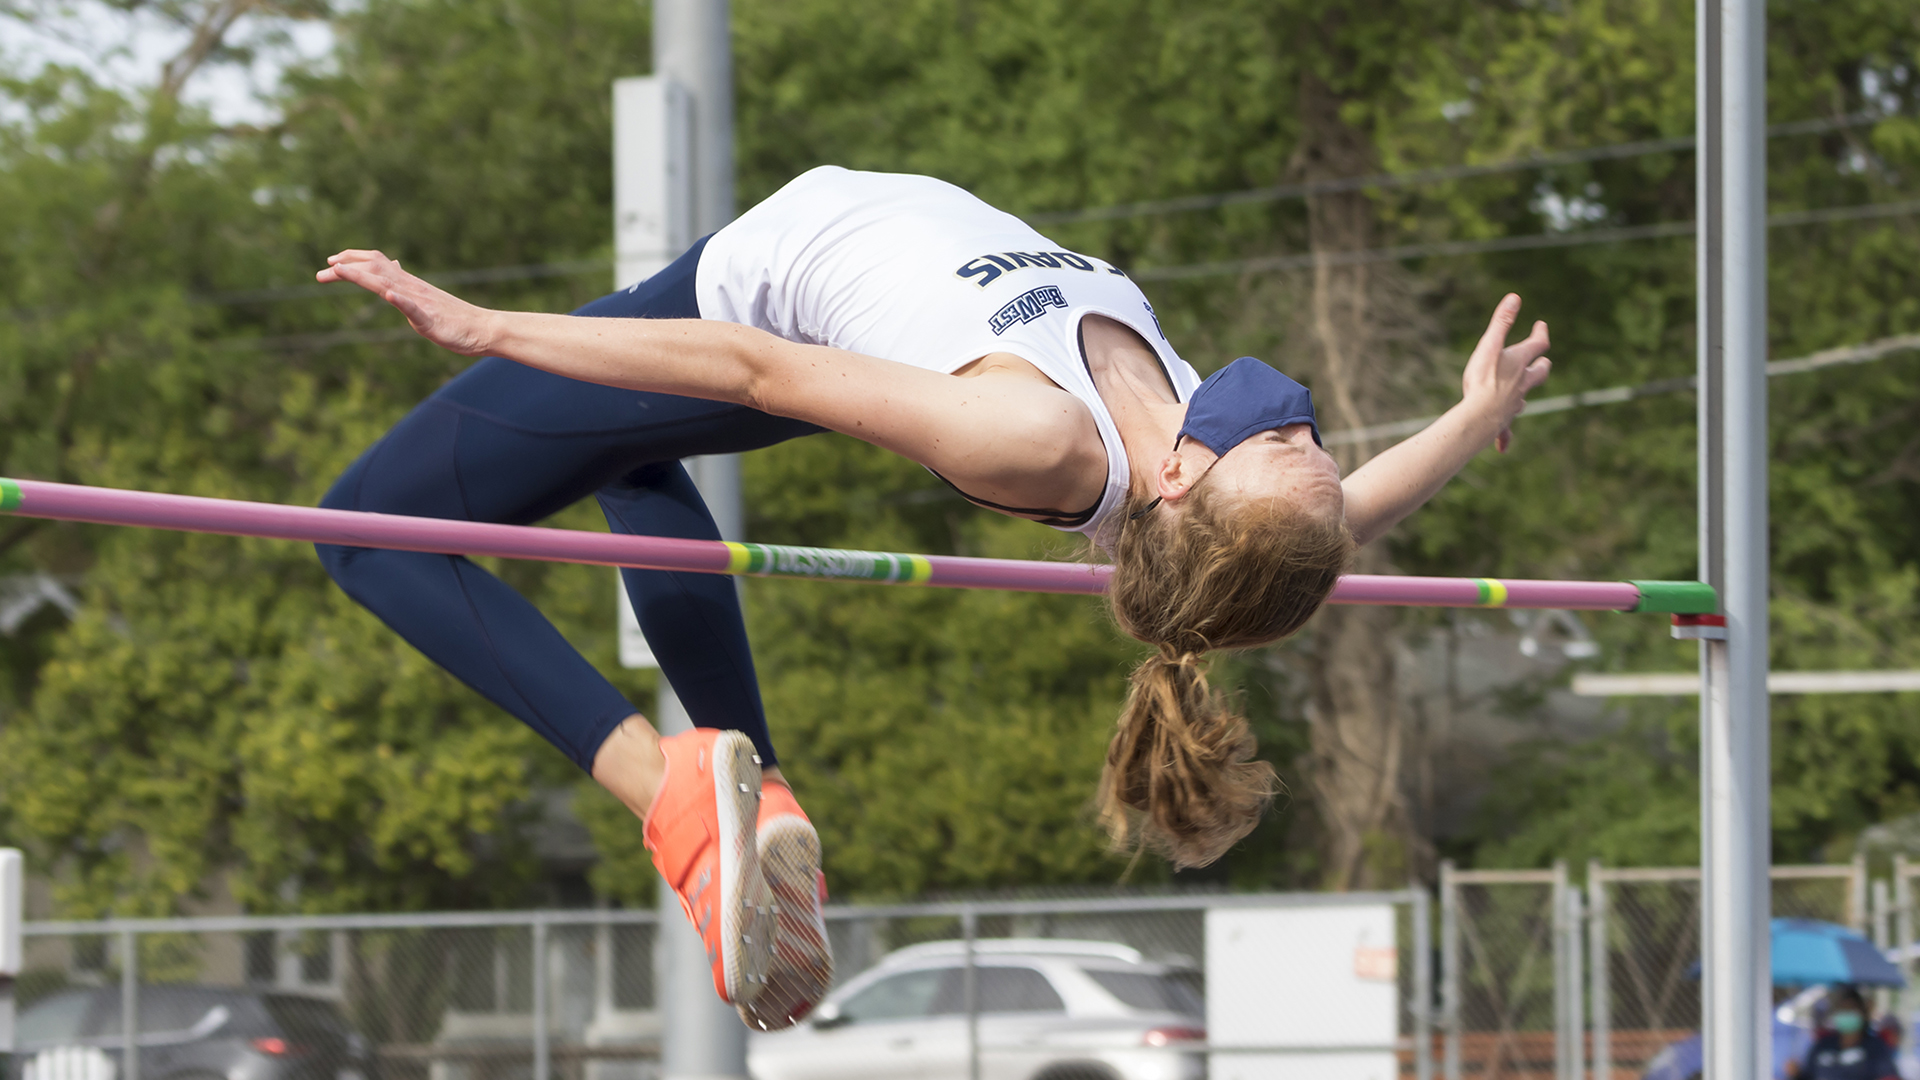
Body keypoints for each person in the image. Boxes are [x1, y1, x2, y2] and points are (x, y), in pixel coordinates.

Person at [313, 166, 1552, 1028]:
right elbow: (1343, 519)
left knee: (366, 532)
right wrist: (1471, 415)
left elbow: (752, 368)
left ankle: (668, 793)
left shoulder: (1041, 438)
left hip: (736, 302)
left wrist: (487, 324)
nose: (1302, 429)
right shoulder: (1195, 461)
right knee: (630, 464)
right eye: (1314, 447)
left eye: (1284, 446)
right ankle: (760, 793)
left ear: (1182, 485)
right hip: (779, 285)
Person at [1801, 985, 1900, 1080]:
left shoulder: (1876, 1048)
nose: (1846, 1013)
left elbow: (1888, 1075)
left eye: (1851, 1009)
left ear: (1862, 1013)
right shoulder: (1823, 1045)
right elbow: (1806, 1074)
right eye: (1843, 1009)